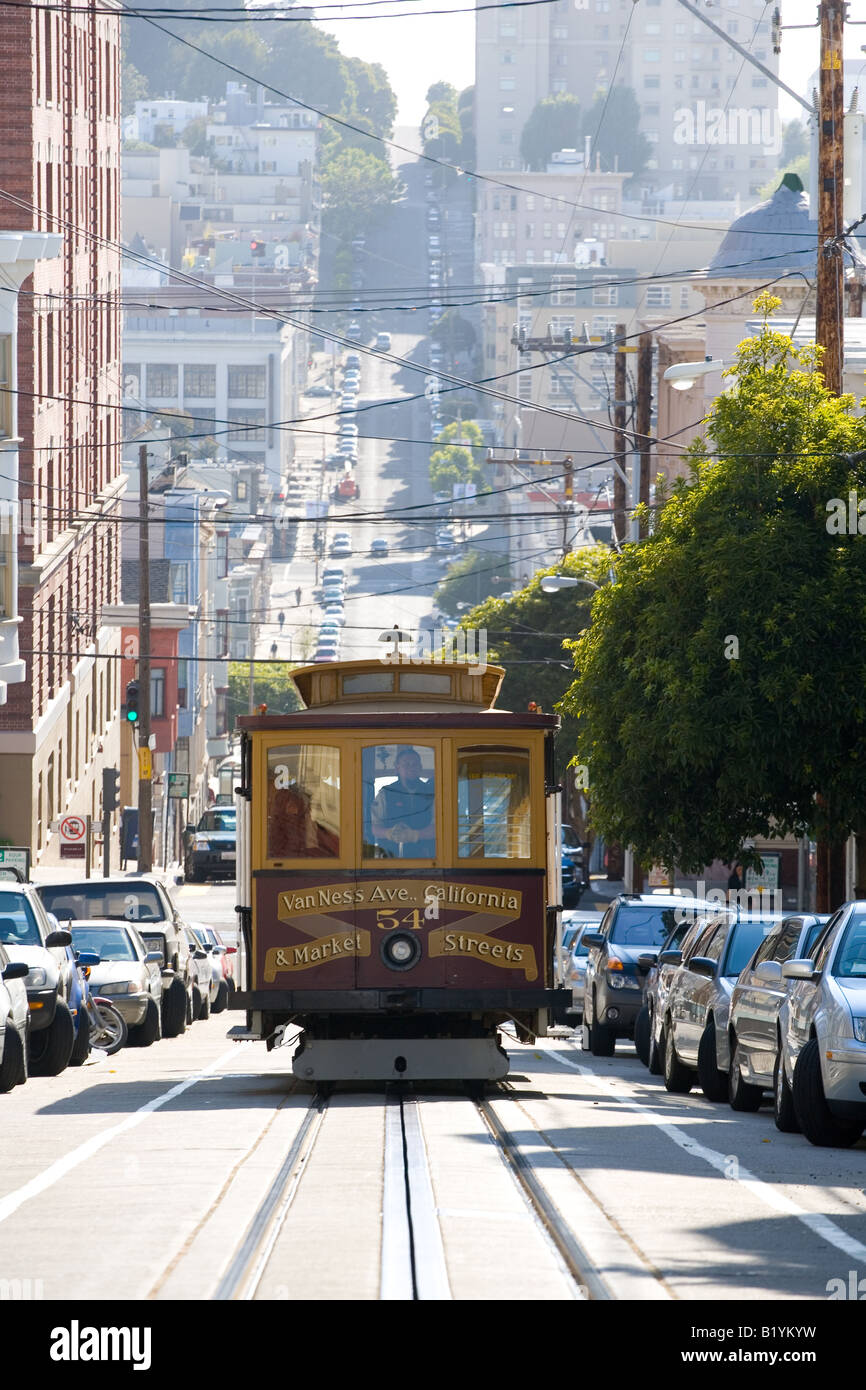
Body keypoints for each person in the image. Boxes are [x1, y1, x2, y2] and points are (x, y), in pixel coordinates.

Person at [370, 747, 435, 858]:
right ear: (397, 768)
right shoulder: (385, 793)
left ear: (420, 767)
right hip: (390, 857)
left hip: (425, 858)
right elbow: (374, 827)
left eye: (415, 764)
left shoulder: (432, 793)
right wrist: (389, 833)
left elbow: (439, 828)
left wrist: (415, 835)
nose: (411, 767)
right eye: (406, 764)